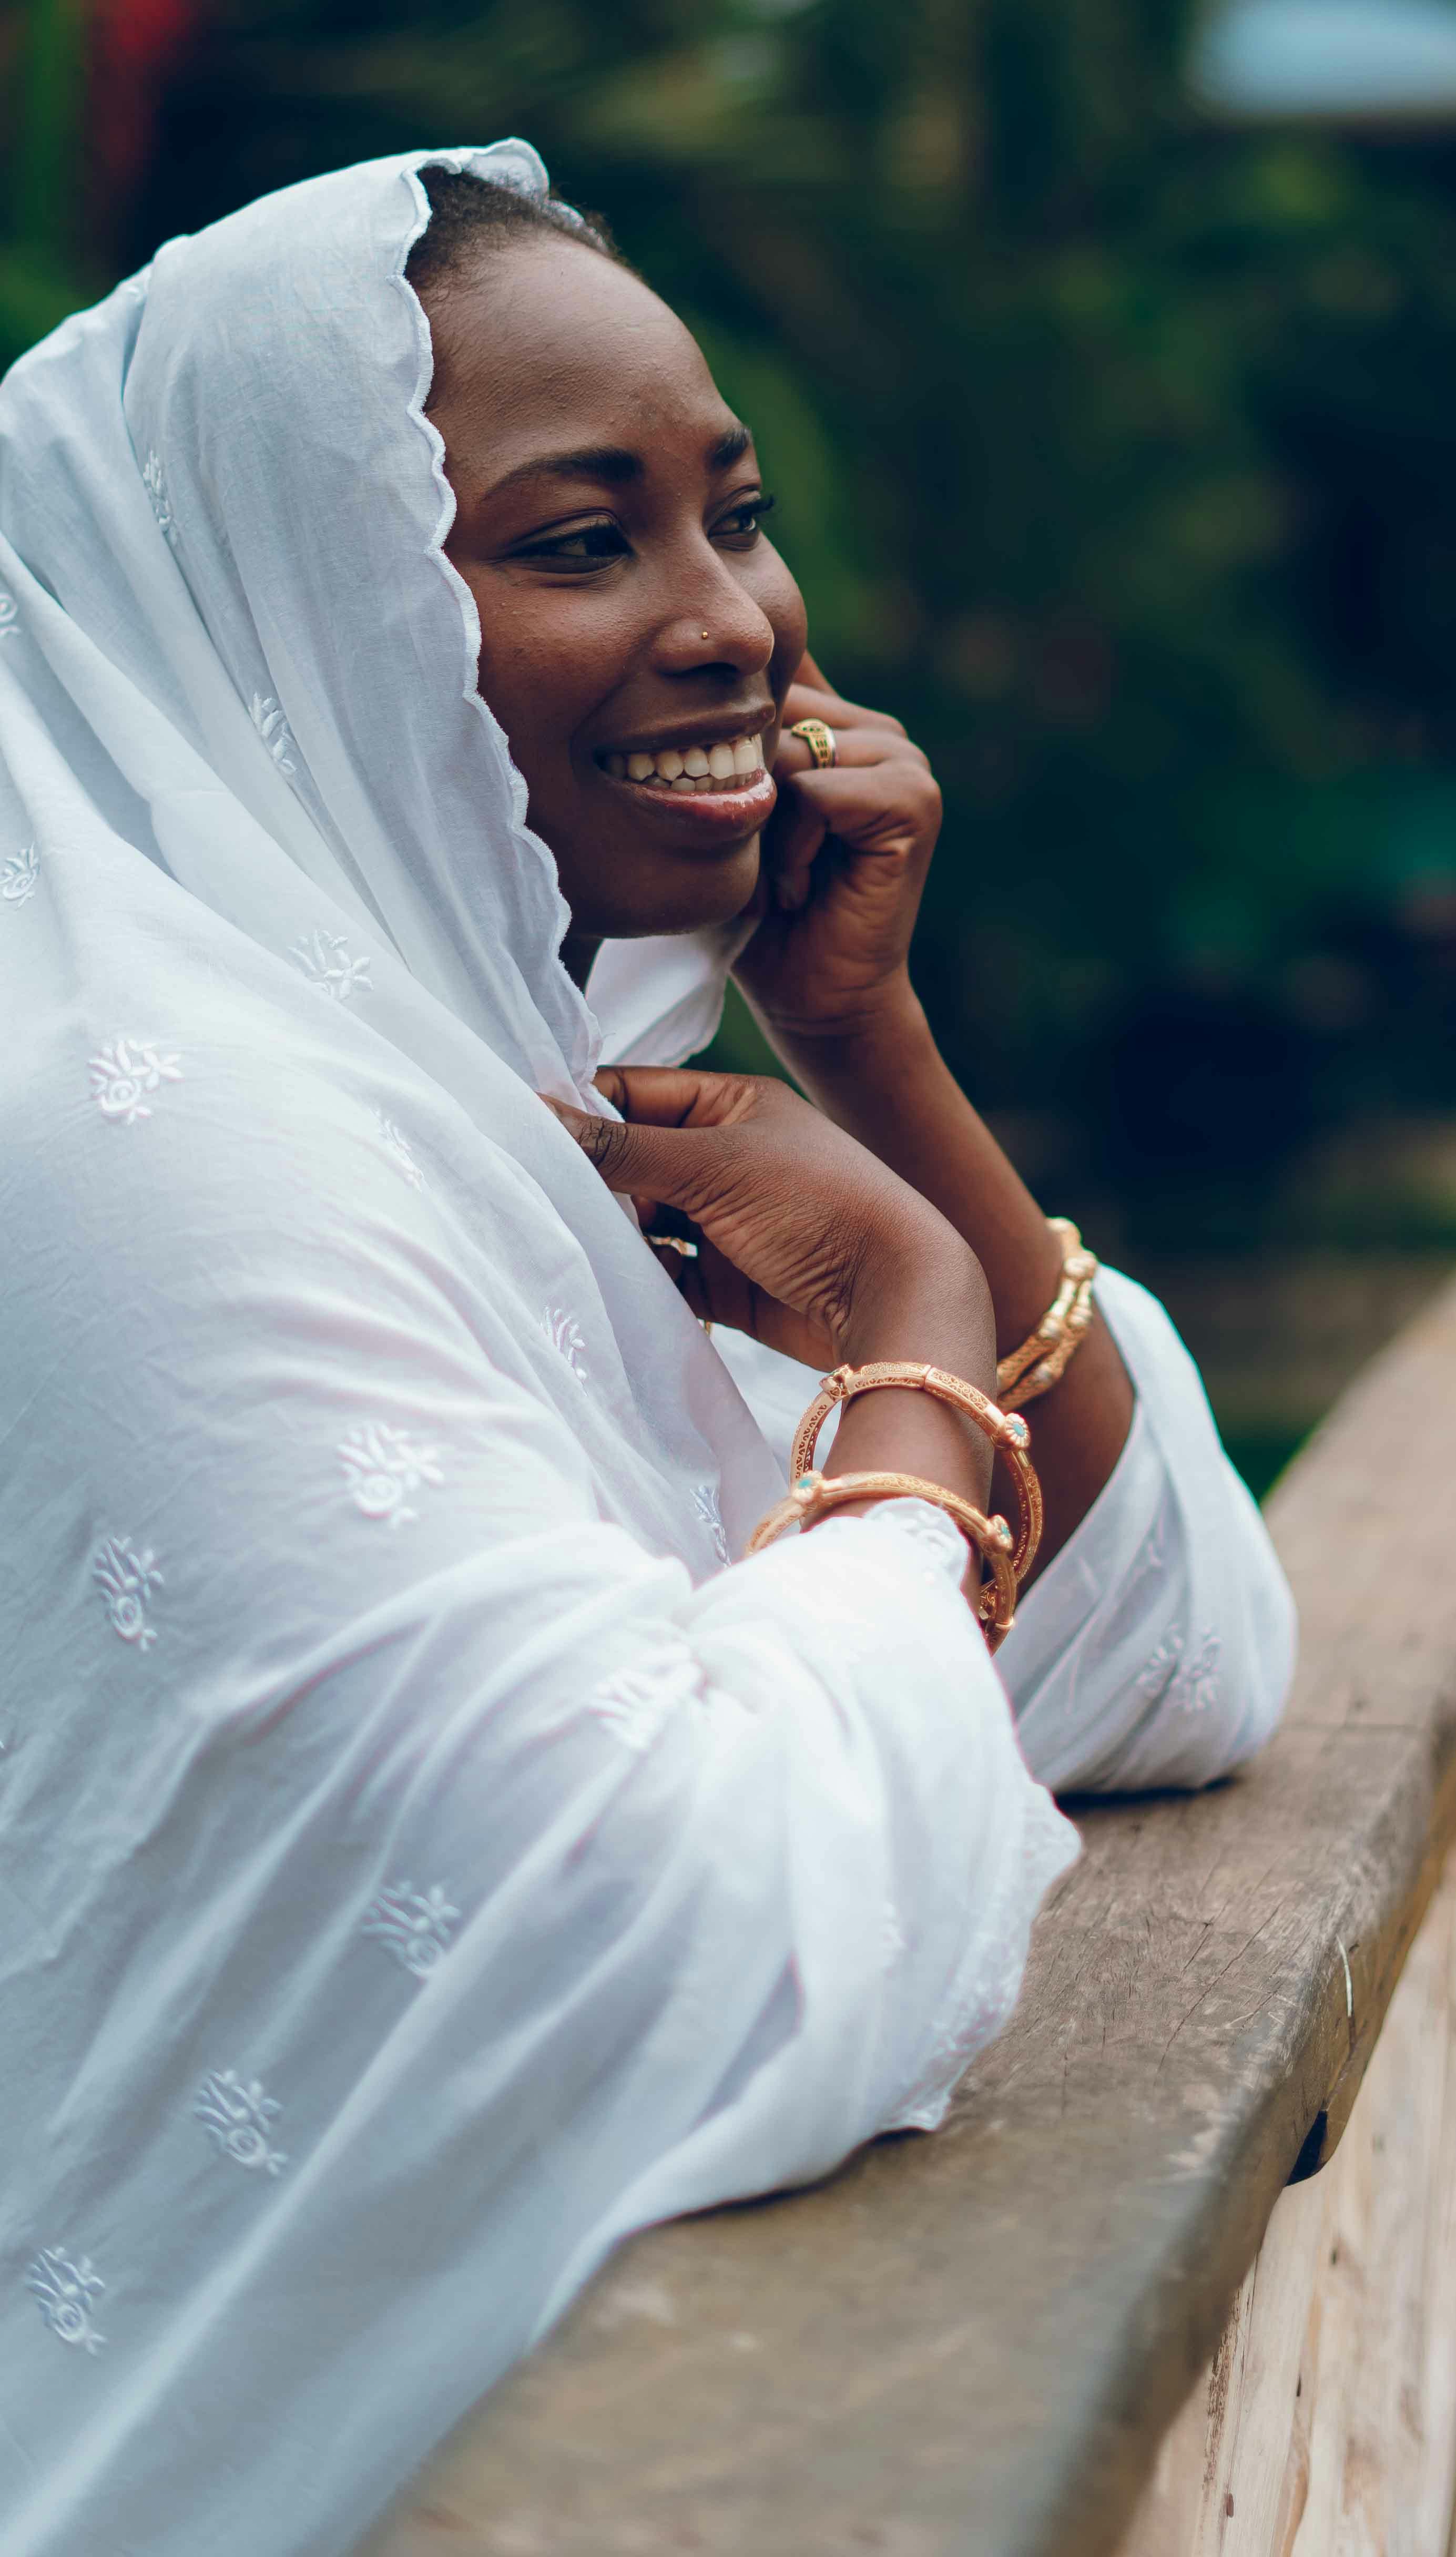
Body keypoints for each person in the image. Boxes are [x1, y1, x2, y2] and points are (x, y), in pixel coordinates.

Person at [0, 143, 1294, 2557]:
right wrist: (909, 1337)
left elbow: (1172, 1664)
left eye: (737, 517)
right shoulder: (160, 1146)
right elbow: (682, 1949)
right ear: (293, 617)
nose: (739, 629)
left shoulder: (525, 1101)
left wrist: (872, 1054)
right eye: (581, 541)